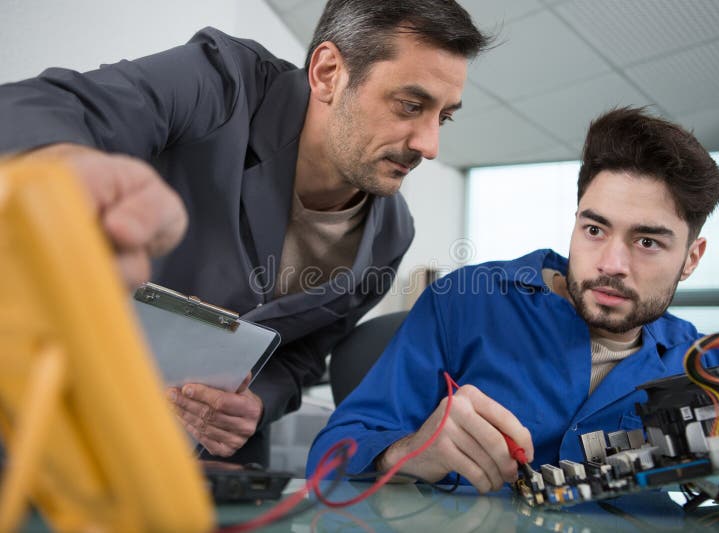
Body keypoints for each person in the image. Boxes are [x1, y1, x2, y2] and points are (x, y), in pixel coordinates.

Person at [0, 0, 489, 465]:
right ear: (328, 73)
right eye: (409, 105)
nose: (429, 145)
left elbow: (301, 357)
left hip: (192, 461)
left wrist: (259, 401)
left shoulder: (392, 234)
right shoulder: (220, 82)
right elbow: (43, 105)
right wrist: (67, 166)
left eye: (443, 116)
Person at [306, 107, 719, 493]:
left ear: (692, 258)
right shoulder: (462, 302)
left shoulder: (702, 360)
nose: (611, 263)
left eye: (647, 242)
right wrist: (408, 452)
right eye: (594, 228)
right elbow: (328, 455)